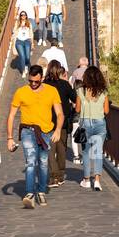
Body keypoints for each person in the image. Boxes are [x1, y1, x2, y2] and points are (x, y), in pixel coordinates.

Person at [6, 65, 63, 208]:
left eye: (36, 81)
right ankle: (30, 193)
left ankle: (41, 191)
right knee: (31, 162)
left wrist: (57, 130)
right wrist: (10, 138)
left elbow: (60, 114)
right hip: (27, 130)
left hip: (46, 131)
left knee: (43, 163)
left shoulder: (52, 91)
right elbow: (12, 115)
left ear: (42, 78)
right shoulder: (21, 92)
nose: (33, 84)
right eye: (30, 81)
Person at [76, 66, 110, 191]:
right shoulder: (103, 91)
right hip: (100, 123)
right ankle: (96, 181)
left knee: (85, 153)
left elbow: (77, 109)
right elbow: (106, 111)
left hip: (85, 124)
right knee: (97, 152)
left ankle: (86, 180)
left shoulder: (80, 91)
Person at [44, 60, 76, 188]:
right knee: (62, 148)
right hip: (62, 121)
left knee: (50, 149)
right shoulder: (65, 84)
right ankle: (61, 175)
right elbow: (74, 98)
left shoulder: (44, 85)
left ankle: (53, 176)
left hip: (47, 121)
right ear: (59, 70)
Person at [69, 56, 90, 162]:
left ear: (79, 63)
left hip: (77, 107)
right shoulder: (91, 72)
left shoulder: (75, 72)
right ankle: (87, 153)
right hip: (88, 108)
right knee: (87, 131)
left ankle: (76, 156)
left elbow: (71, 84)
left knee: (74, 132)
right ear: (87, 63)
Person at [12, 12, 32, 76]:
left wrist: (32, 42)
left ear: (26, 16)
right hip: (19, 41)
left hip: (27, 41)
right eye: (22, 15)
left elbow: (31, 33)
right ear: (20, 16)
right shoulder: (17, 23)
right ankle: (23, 71)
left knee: (28, 57)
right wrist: (13, 43)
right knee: (22, 56)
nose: (23, 16)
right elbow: (14, 33)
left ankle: (26, 65)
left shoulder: (29, 23)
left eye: (24, 15)